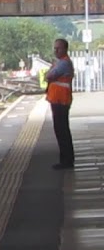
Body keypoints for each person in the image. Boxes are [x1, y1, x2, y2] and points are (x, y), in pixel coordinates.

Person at [45, 38, 75, 169]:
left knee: (62, 131)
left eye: (59, 48)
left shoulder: (63, 64)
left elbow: (50, 76)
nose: (56, 50)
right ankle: (66, 159)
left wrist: (51, 70)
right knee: (61, 130)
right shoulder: (62, 63)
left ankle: (66, 161)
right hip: (58, 99)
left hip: (61, 100)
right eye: (55, 48)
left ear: (65, 49)